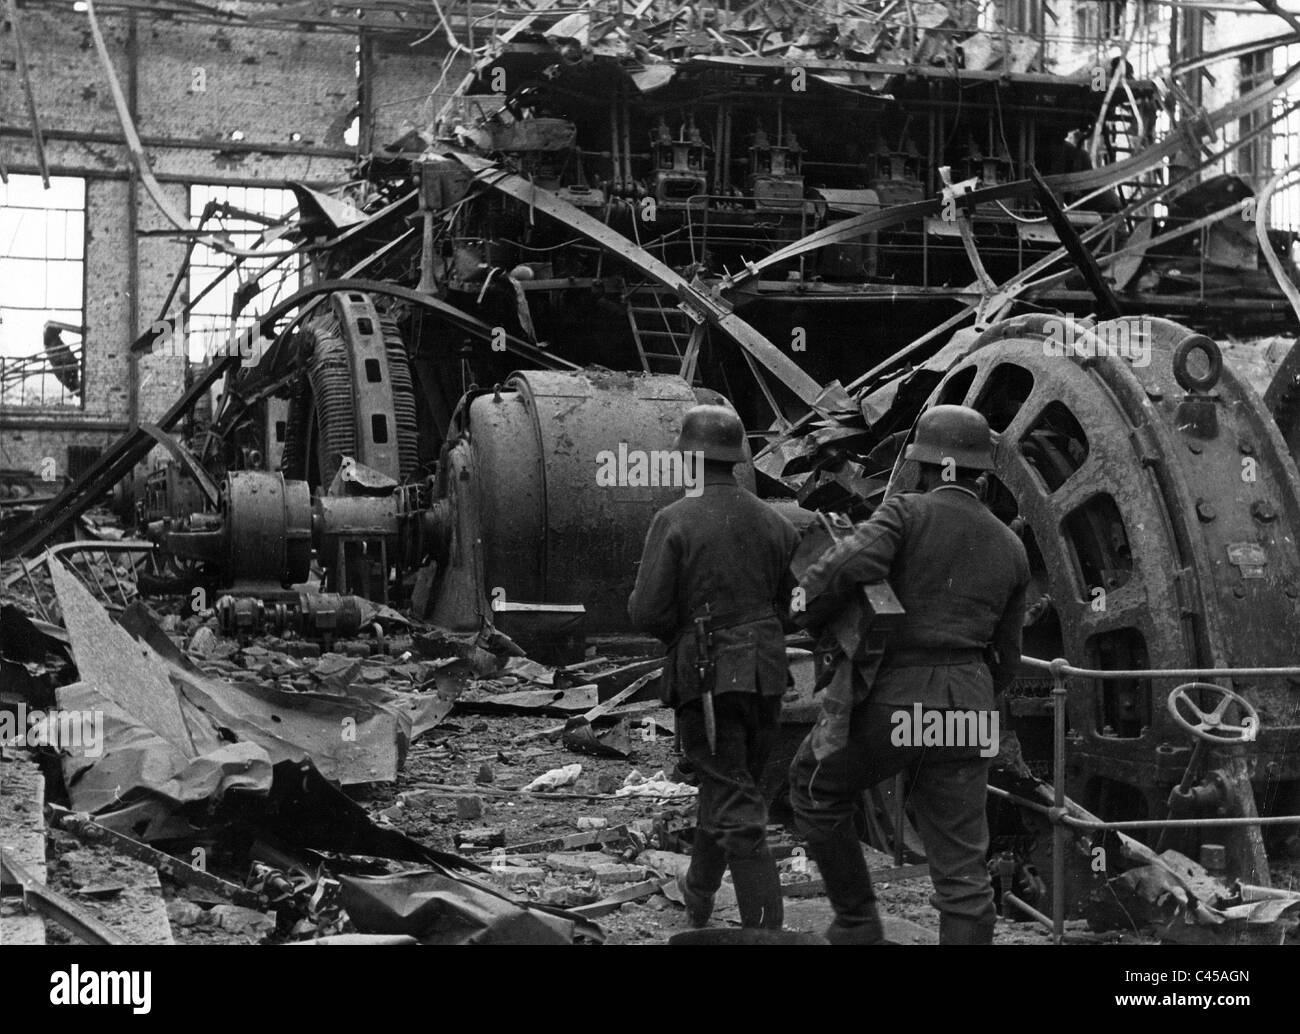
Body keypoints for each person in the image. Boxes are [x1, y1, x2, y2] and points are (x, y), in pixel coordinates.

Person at [787, 404, 1029, 945]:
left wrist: (805, 607)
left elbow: (838, 571)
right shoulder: (1011, 546)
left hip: (895, 700)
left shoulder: (904, 513)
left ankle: (856, 921)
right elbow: (1008, 660)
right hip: (968, 707)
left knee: (814, 788)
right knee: (964, 868)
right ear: (981, 473)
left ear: (923, 465)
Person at [628, 403, 800, 930]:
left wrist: (684, 635)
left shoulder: (674, 519)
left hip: (707, 680)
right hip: (767, 680)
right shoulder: (777, 521)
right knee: (728, 789)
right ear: (735, 459)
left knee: (737, 803)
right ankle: (699, 893)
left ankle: (766, 930)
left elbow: (646, 611)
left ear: (689, 460)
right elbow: (794, 604)